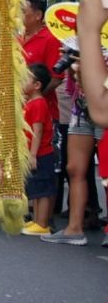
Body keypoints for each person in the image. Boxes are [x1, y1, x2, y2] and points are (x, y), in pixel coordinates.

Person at [42, 60, 103, 246]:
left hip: (104, 103)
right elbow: (71, 79)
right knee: (74, 168)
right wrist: (73, 62)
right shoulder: (80, 43)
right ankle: (74, 228)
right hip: (81, 105)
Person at [23, 64, 57, 237]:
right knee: (36, 188)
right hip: (35, 152)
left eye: (25, 78)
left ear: (37, 85)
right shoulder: (31, 102)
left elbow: (38, 130)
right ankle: (37, 220)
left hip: (41, 153)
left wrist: (33, 154)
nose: (21, 81)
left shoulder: (38, 103)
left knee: (42, 189)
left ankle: (43, 223)